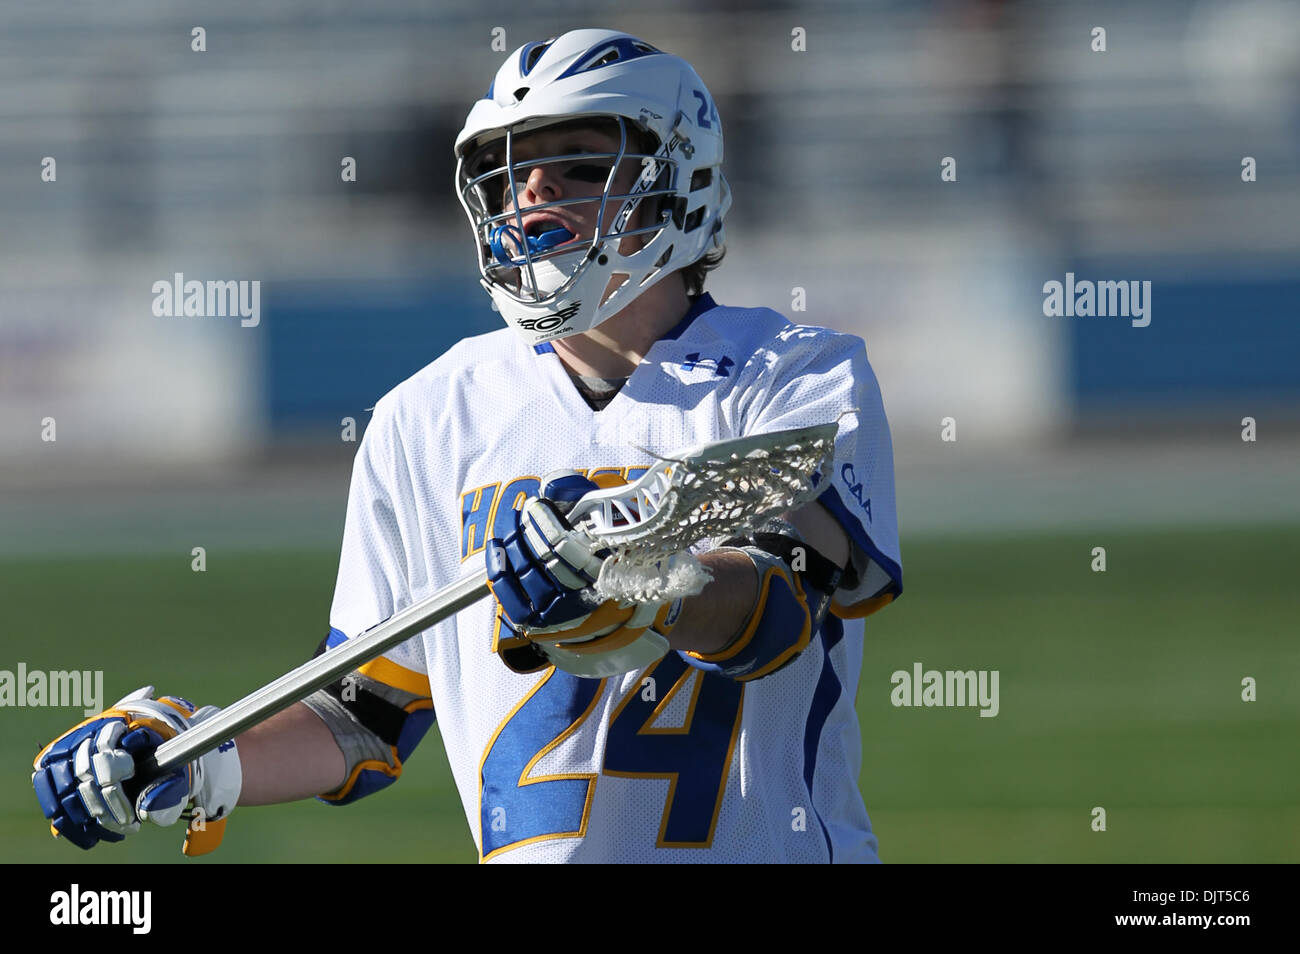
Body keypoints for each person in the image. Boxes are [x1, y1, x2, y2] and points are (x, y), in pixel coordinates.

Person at [32, 28, 903, 863]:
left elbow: (783, 606)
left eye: (577, 167)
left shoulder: (792, 373)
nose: (534, 198)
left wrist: (648, 586)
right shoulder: (430, 414)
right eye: (512, 177)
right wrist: (197, 760)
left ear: (679, 181)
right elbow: (364, 714)